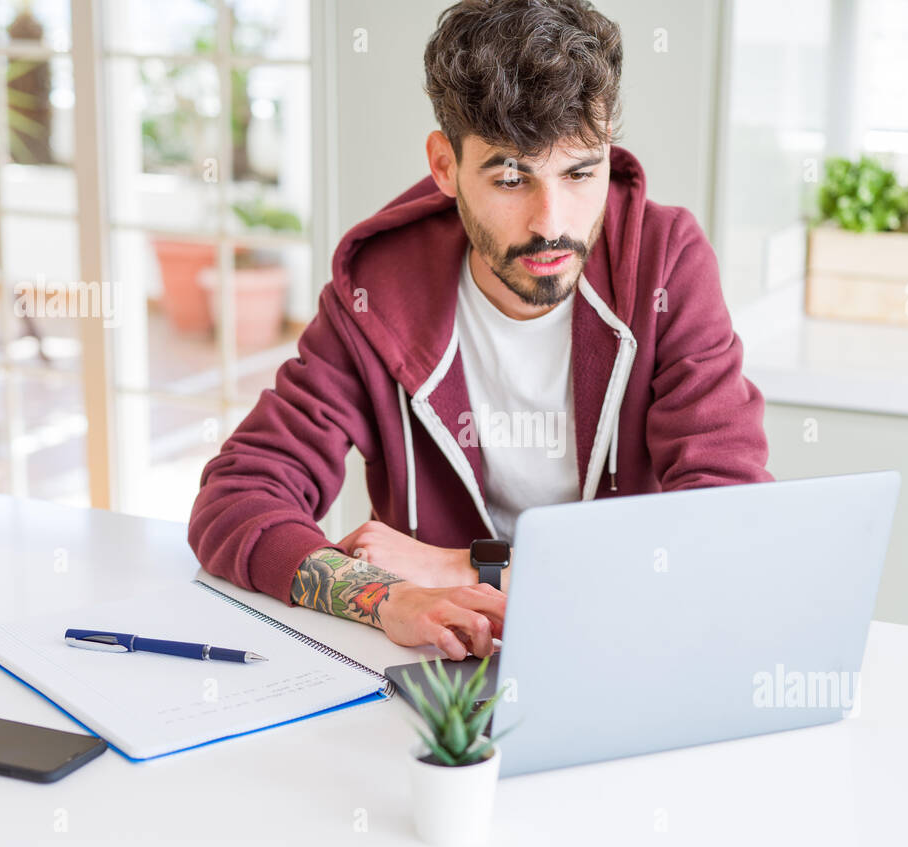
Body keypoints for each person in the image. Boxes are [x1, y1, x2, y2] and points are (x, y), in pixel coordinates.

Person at [188, 0, 772, 663]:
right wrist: (391, 596)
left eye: (581, 173)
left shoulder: (666, 265)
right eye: (511, 176)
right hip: (443, 669)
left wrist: (464, 568)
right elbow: (238, 498)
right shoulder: (376, 292)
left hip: (629, 649)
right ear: (445, 166)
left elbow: (727, 526)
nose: (552, 222)